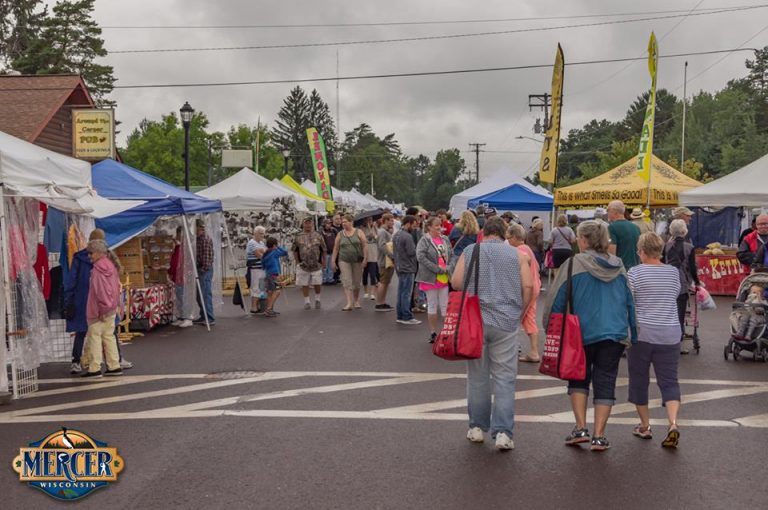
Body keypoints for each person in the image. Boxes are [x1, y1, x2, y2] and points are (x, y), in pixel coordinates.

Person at [543, 220, 637, 452]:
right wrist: (633, 332)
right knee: (606, 380)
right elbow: (630, 301)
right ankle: (599, 435)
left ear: (584, 240)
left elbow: (556, 298)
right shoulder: (619, 266)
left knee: (578, 378)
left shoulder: (573, 264)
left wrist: (550, 327)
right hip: (614, 332)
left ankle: (581, 427)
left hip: (579, 332)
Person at [451, 217, 533, 450]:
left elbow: (456, 282)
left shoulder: (471, 250)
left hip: (476, 320)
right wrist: (521, 310)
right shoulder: (518, 255)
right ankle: (503, 433)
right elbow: (528, 287)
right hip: (506, 321)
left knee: (477, 377)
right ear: (505, 233)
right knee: (505, 378)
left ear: (484, 232)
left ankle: (477, 427)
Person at [627, 232, 683, 448]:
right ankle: (673, 423)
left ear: (641, 251)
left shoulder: (634, 273)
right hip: (670, 333)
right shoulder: (673, 273)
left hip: (643, 333)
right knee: (669, 380)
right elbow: (675, 295)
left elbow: (629, 300)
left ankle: (645, 425)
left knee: (639, 379)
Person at [81, 239, 123, 378]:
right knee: (109, 337)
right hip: (111, 308)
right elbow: (115, 288)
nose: (89, 256)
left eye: (91, 253)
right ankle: (114, 365)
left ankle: (95, 367)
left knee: (95, 338)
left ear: (98, 252)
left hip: (98, 311)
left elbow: (99, 292)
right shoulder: (111, 266)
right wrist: (112, 306)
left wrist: (101, 310)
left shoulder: (97, 269)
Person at [663, 219, 700, 354]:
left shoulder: (666, 246)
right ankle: (677, 342)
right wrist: (697, 282)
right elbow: (692, 268)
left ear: (671, 231)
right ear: (684, 231)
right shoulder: (689, 247)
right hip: (682, 283)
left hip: (667, 282)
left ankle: (666, 339)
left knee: (667, 312)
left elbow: (662, 263)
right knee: (680, 313)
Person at [507, 223, 541, 362]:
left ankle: (510, 349)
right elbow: (537, 266)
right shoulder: (527, 248)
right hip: (535, 286)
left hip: (525, 289)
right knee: (529, 319)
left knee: (514, 319)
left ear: (515, 237)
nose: (507, 240)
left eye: (509, 237)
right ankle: (534, 352)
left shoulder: (520, 250)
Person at [416, 217, 453, 343]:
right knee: (432, 305)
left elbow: (452, 255)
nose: (439, 227)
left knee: (445, 306)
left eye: (440, 225)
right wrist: (436, 268)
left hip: (444, 277)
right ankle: (433, 332)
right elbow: (420, 257)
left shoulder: (445, 239)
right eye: (436, 225)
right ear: (429, 227)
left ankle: (445, 332)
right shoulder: (424, 240)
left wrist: (448, 267)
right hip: (430, 278)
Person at [331, 214, 368, 311]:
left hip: (357, 260)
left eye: (345, 222)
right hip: (344, 260)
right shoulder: (340, 234)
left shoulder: (359, 232)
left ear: (351, 222)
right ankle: (349, 302)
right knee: (347, 281)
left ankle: (356, 300)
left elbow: (365, 245)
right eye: (342, 222)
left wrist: (365, 259)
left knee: (356, 282)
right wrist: (333, 261)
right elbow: (336, 248)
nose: (343, 224)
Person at [293, 218, 327, 310]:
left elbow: (324, 249)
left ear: (312, 225)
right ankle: (307, 301)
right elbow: (295, 250)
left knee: (317, 283)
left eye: (309, 224)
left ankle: (317, 299)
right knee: (304, 283)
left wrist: (324, 261)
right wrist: (297, 262)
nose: (308, 225)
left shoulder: (318, 235)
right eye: (306, 223)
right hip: (303, 265)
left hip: (317, 264)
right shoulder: (298, 236)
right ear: (303, 224)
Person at [393, 215, 421, 325]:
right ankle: (406, 316)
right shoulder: (407, 236)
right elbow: (411, 252)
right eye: (413, 225)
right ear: (408, 223)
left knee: (401, 292)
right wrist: (417, 249)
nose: (414, 227)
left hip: (400, 266)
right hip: (408, 267)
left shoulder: (396, 235)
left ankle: (400, 315)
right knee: (406, 293)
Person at [169, 226, 193, 327]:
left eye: (178, 234)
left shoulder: (185, 247)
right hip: (177, 277)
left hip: (183, 277)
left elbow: (181, 263)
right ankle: (181, 317)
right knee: (179, 298)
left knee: (184, 298)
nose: (177, 236)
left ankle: (187, 317)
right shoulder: (179, 247)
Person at [607, 200, 641, 270]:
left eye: (608, 210)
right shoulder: (636, 228)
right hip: (636, 269)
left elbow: (611, 254)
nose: (607, 213)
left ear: (614, 211)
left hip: (621, 270)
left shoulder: (612, 228)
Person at [194, 220, 215, 326]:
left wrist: (203, 268)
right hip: (200, 268)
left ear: (199, 228)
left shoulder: (205, 239)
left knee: (205, 293)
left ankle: (209, 317)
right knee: (200, 294)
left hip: (204, 269)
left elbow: (207, 257)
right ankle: (204, 315)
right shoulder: (198, 239)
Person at [261, 237, 288, 318]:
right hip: (274, 274)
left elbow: (263, 266)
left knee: (270, 292)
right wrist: (278, 247)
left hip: (268, 274)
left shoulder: (265, 255)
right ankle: (268, 309)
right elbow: (285, 252)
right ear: (274, 245)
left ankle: (270, 309)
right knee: (277, 291)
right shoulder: (274, 252)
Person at [375, 213, 395, 312]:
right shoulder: (382, 232)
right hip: (385, 261)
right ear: (386, 221)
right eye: (391, 221)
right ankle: (379, 303)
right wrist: (392, 256)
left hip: (387, 261)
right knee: (383, 282)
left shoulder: (385, 231)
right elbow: (382, 246)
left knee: (386, 282)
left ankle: (382, 302)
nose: (392, 223)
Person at [245, 226, 267, 314]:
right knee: (256, 288)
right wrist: (262, 251)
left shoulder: (261, 242)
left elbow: (265, 253)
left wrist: (263, 251)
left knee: (262, 287)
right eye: (261, 233)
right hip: (255, 269)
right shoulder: (252, 242)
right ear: (255, 233)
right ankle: (253, 307)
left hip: (261, 269)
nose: (262, 235)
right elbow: (260, 255)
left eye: (263, 233)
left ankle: (260, 307)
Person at [361, 217, 380, 301]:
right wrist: (367, 236)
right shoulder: (362, 229)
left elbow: (379, 239)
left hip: (373, 255)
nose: (369, 222)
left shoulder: (375, 228)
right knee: (364, 275)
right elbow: (361, 240)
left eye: (371, 220)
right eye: (368, 220)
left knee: (373, 275)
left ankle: (372, 293)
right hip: (365, 255)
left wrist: (374, 236)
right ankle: (366, 292)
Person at [320, 219, 338, 284]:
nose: (329, 225)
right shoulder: (321, 232)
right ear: (324, 224)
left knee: (331, 266)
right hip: (325, 252)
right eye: (327, 223)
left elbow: (337, 238)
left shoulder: (333, 230)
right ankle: (324, 279)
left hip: (332, 251)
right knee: (324, 266)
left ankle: (330, 279)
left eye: (330, 223)